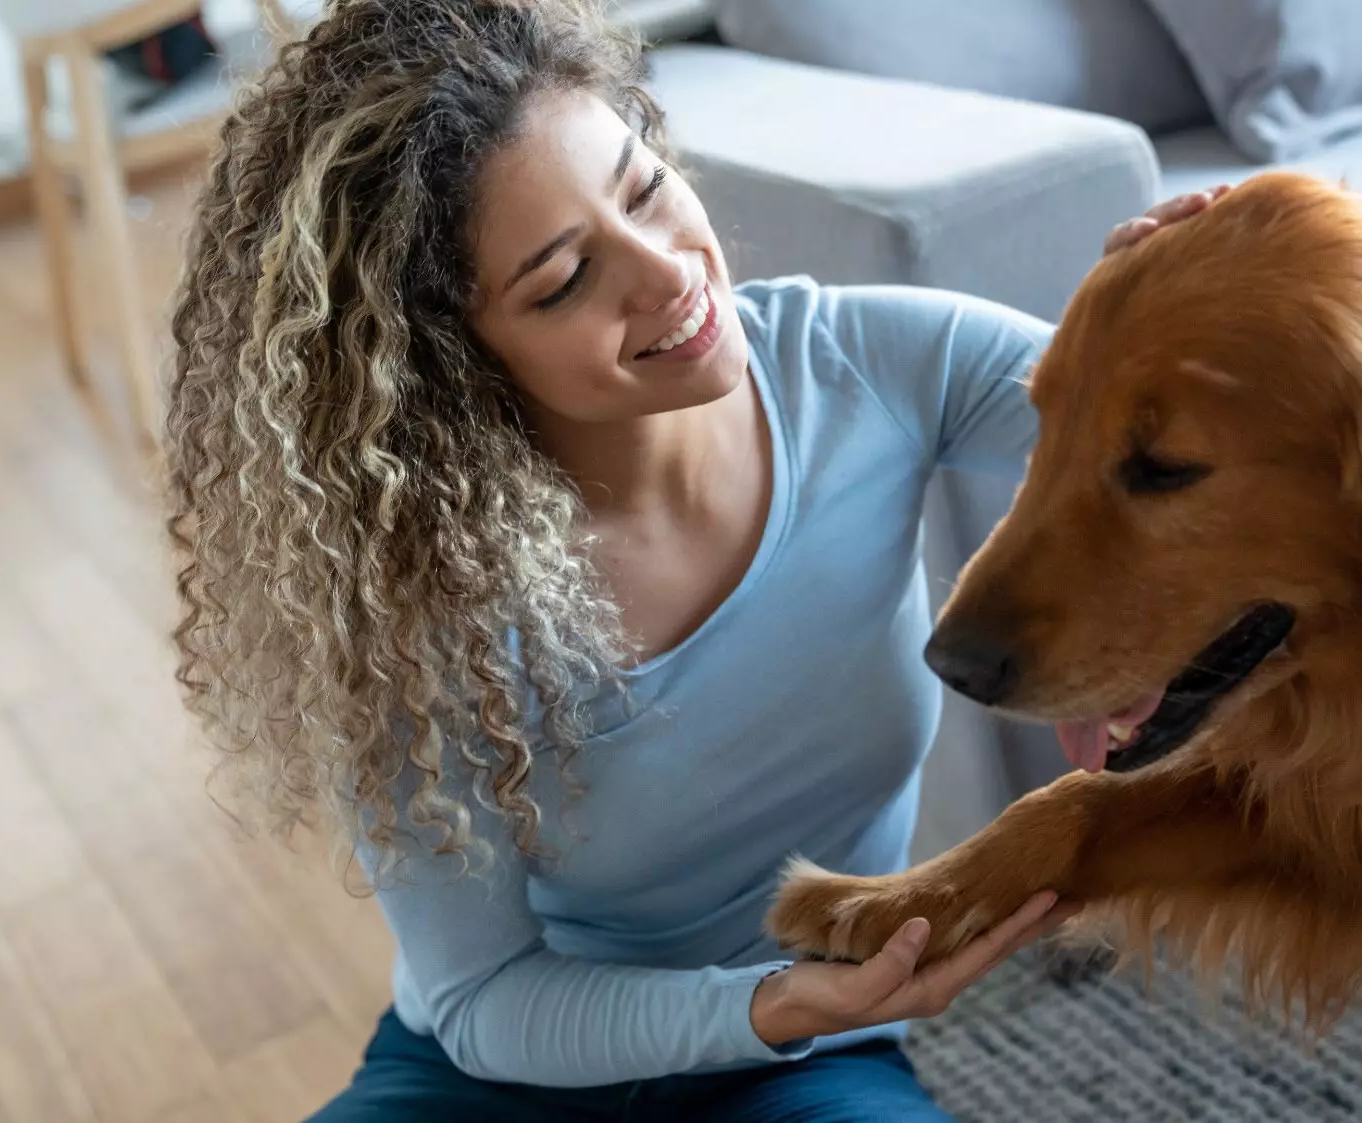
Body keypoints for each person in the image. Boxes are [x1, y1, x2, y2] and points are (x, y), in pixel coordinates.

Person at [164, 0, 1215, 1118]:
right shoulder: (418, 590)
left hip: (797, 1067)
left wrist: (1144, 323)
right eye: (564, 280)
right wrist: (766, 1003)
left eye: (645, 189)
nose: (665, 275)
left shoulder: (869, 367)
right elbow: (483, 997)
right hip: (506, 1071)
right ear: (447, 362)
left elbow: (1169, 452)